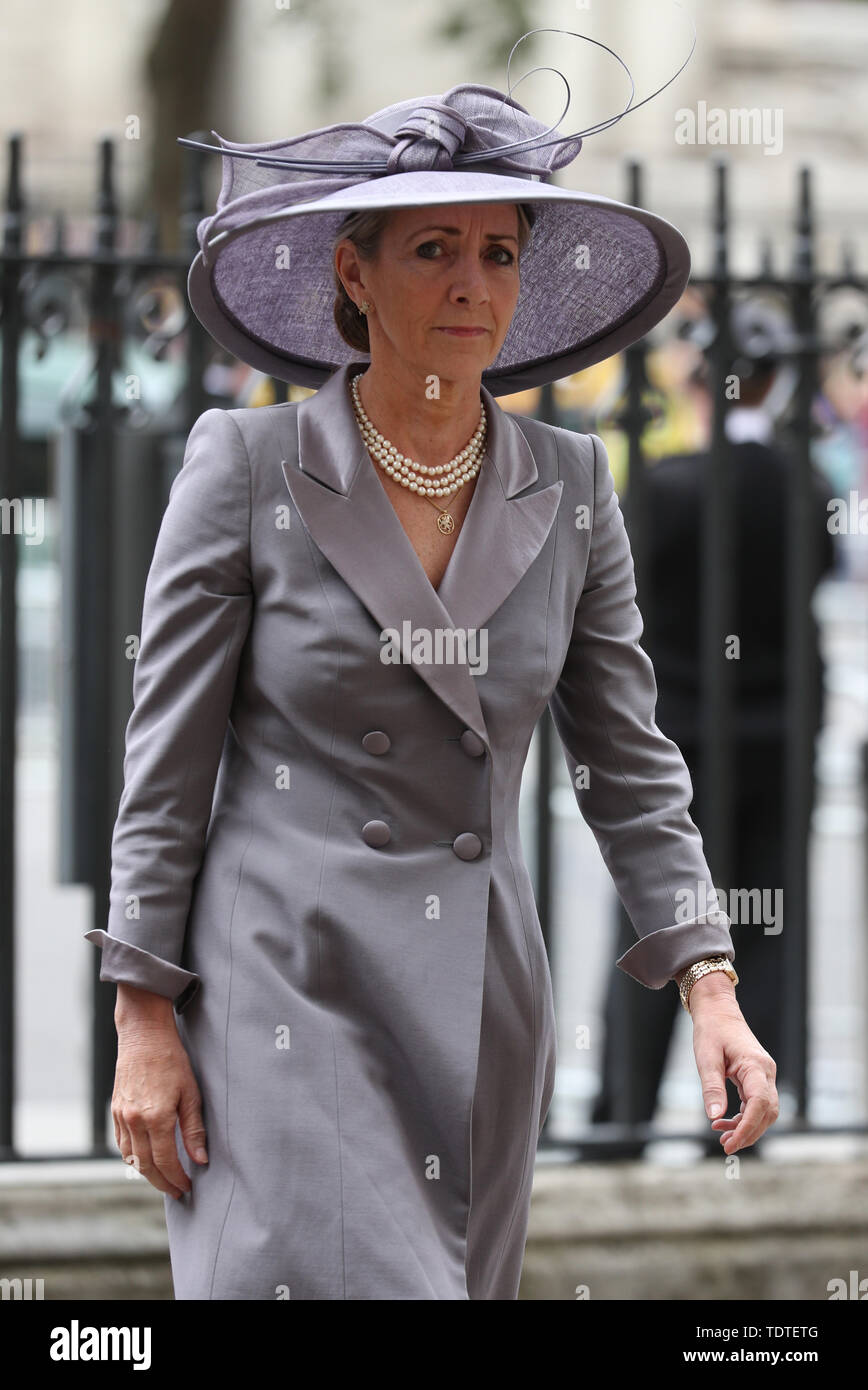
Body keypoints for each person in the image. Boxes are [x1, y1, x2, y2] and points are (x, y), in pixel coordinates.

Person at [84, 26, 778, 1300]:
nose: (473, 283)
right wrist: (141, 1012)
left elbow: (628, 760)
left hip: (471, 1006)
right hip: (279, 990)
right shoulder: (243, 471)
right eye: (433, 249)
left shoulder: (571, 488)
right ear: (353, 274)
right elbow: (164, 763)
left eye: (498, 253)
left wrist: (708, 983)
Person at [591, 299, 835, 1155]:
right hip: (778, 737)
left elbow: (629, 609)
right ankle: (741, 1120)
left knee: (663, 924)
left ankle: (620, 1112)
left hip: (682, 737)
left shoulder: (667, 486)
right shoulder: (807, 484)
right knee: (764, 923)